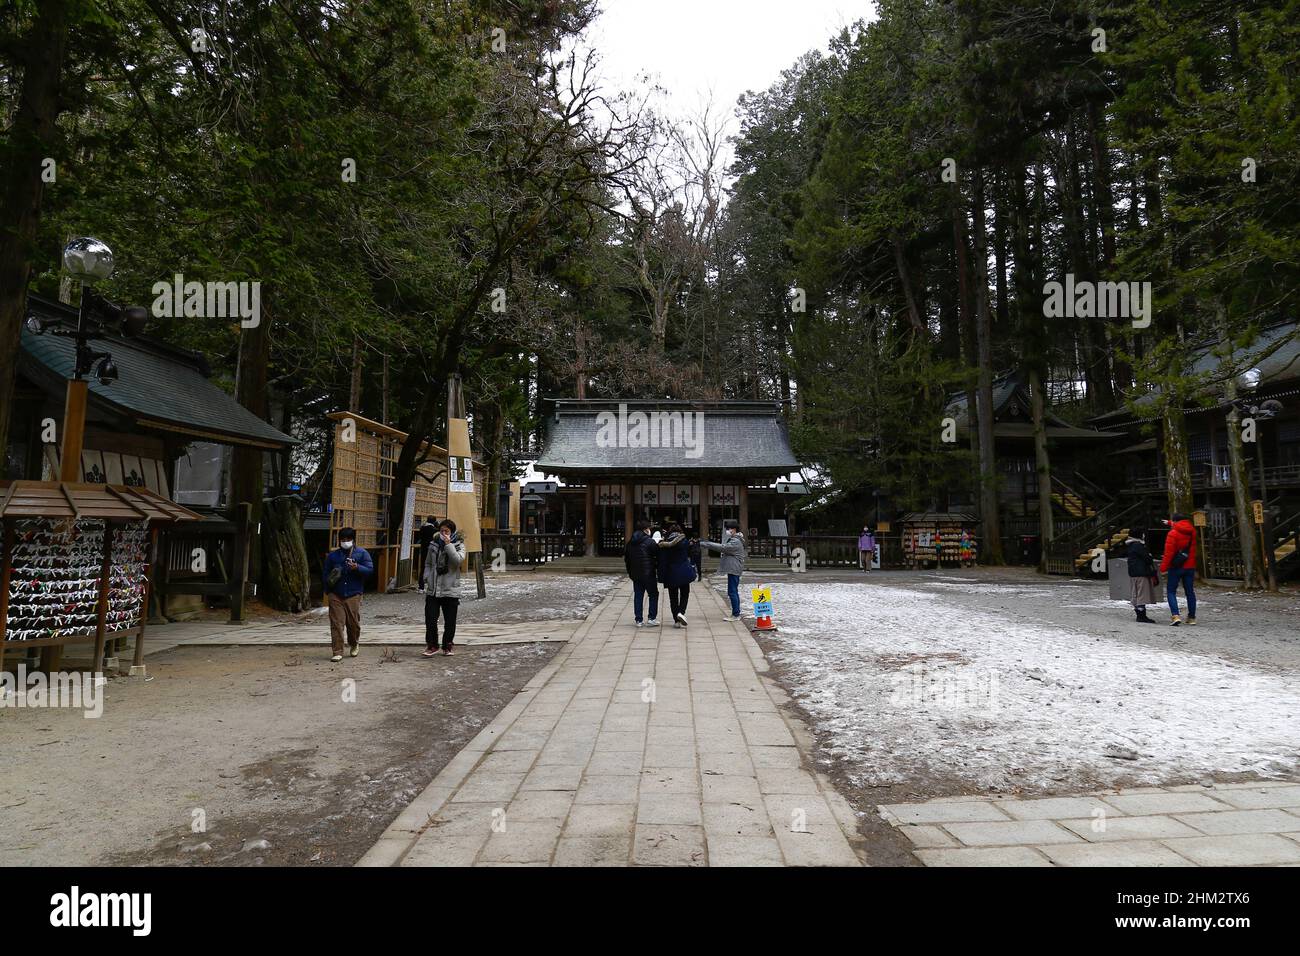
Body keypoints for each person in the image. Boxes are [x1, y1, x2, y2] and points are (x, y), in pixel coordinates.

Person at [321, 528, 373, 662]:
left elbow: (369, 570)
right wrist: (328, 591)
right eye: (342, 540)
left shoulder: (362, 554)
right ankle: (337, 651)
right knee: (337, 623)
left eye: (348, 540)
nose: (345, 542)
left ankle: (354, 642)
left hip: (353, 592)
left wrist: (357, 568)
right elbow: (326, 574)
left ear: (353, 539)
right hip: (336, 593)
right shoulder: (333, 556)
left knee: (353, 623)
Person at [423, 518, 467, 656]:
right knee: (430, 618)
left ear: (452, 532)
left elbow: (457, 560)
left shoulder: (459, 545)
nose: (443, 533)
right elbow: (428, 563)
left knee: (450, 621)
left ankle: (447, 645)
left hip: (450, 588)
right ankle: (432, 645)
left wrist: (449, 545)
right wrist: (427, 576)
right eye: (441, 531)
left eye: (446, 531)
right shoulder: (433, 544)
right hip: (434, 588)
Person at [701, 519, 747, 620]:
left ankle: (736, 614)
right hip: (734, 568)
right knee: (733, 591)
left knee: (732, 591)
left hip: (734, 569)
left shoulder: (735, 541)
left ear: (734, 529)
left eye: (729, 529)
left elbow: (723, 548)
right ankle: (736, 613)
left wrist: (707, 544)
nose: (727, 531)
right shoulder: (736, 538)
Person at [1160, 512, 1197, 626]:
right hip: (1190, 566)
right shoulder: (1193, 532)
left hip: (1176, 566)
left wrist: (1163, 567)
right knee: (1190, 592)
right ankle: (1191, 617)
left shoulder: (1173, 533)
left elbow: (1169, 553)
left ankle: (1175, 615)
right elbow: (1182, 527)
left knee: (1171, 591)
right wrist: (1170, 523)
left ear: (1175, 521)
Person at [657, 519, 696, 627]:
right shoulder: (684, 542)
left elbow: (662, 561)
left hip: (671, 573)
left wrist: (661, 576)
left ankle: (676, 620)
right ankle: (681, 613)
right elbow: (690, 554)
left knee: (673, 598)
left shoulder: (663, 545)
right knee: (685, 594)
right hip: (684, 572)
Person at [624, 519, 660, 627]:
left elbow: (627, 559)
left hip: (635, 573)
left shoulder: (630, 542)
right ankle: (651, 618)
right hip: (648, 573)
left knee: (638, 595)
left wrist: (630, 572)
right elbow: (657, 555)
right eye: (649, 528)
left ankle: (638, 620)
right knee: (653, 594)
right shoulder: (650, 542)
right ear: (645, 530)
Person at [1124, 532, 1159, 624]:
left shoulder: (1131, 545)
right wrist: (1150, 556)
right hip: (1141, 572)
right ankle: (1141, 615)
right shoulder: (1138, 545)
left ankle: (1140, 614)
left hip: (1133, 573)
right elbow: (1147, 559)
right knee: (1142, 595)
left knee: (1136, 594)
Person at [416, 515, 437, 589]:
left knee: (423, 567)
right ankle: (431, 585)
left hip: (423, 549)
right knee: (432, 567)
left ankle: (421, 585)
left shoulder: (422, 528)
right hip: (431, 550)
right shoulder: (433, 529)